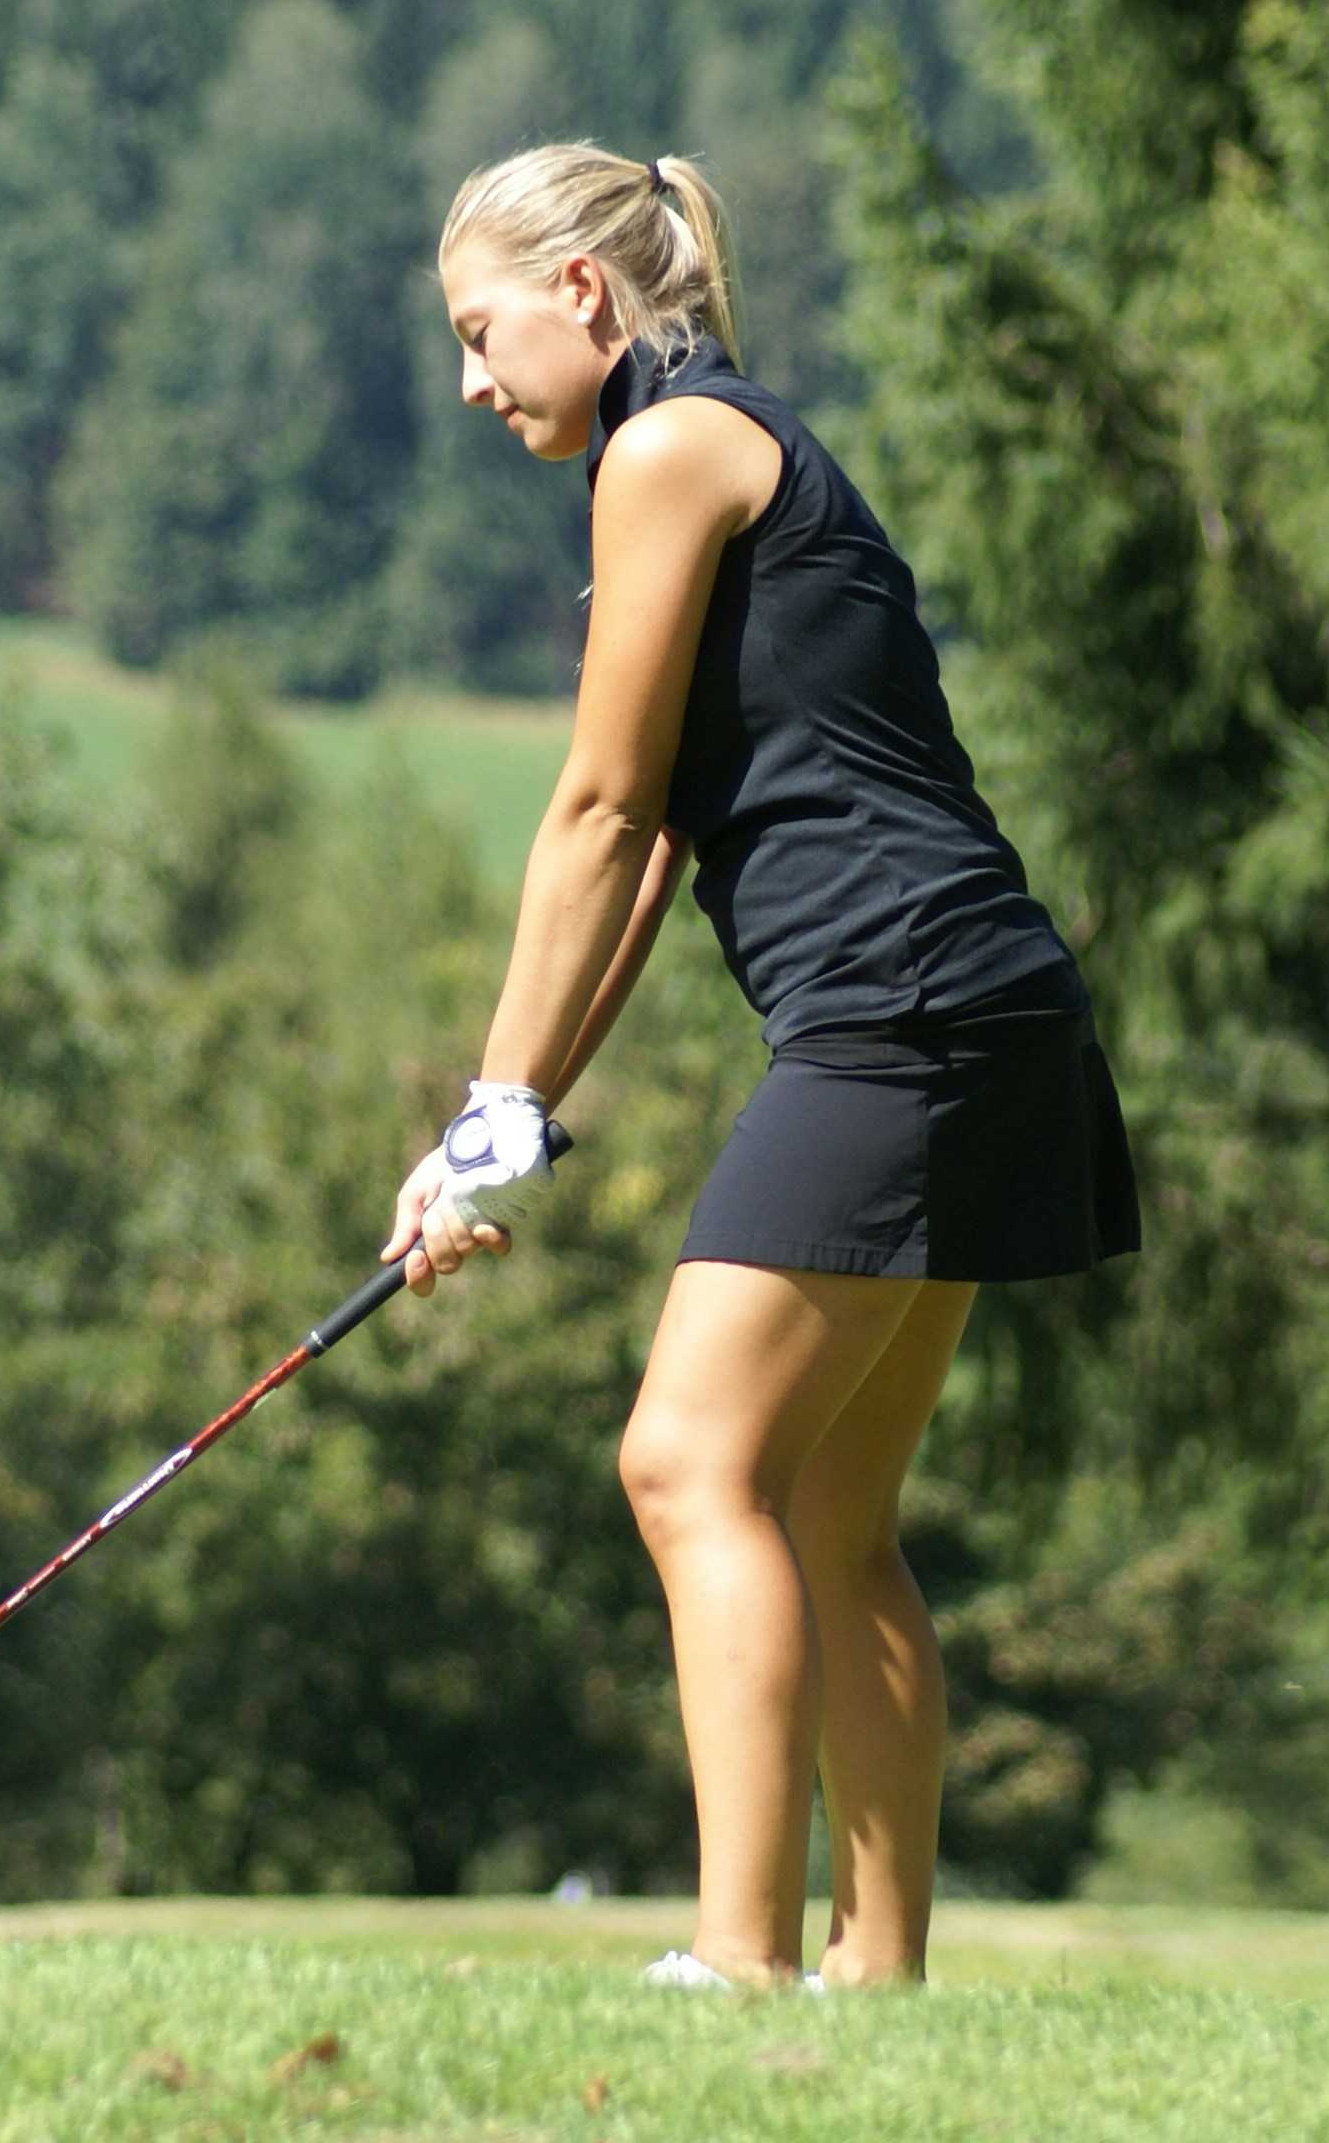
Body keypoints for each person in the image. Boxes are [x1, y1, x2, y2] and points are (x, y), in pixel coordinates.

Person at [381, 142, 1138, 1992]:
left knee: (685, 1464)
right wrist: (511, 1115)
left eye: (481, 331)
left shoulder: (672, 449)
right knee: (828, 1514)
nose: (473, 383)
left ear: (582, 292)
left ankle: (741, 1962)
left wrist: (490, 1115)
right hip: (987, 1003)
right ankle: (876, 1984)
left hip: (899, 1005)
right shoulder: (712, 445)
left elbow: (595, 806)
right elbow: (655, 843)